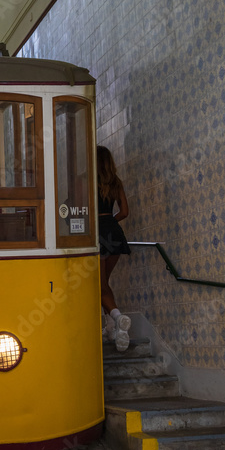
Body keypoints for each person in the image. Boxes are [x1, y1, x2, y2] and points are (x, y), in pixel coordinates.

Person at [97, 145, 132, 352]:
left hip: (97, 234)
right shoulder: (116, 182)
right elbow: (125, 212)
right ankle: (111, 328)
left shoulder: (87, 181)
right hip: (114, 234)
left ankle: (118, 319)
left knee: (98, 286)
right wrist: (110, 221)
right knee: (103, 284)